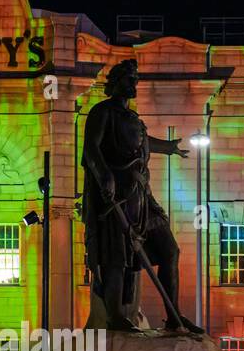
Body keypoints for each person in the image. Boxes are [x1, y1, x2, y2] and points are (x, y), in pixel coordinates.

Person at [81, 58, 201, 334]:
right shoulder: (102, 112)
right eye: (129, 79)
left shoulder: (132, 118)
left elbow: (143, 143)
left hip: (142, 197)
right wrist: (105, 177)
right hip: (117, 200)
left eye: (136, 79)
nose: (134, 83)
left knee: (170, 250)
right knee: (116, 257)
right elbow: (91, 149)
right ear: (116, 83)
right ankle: (114, 316)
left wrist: (169, 147)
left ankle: (174, 317)